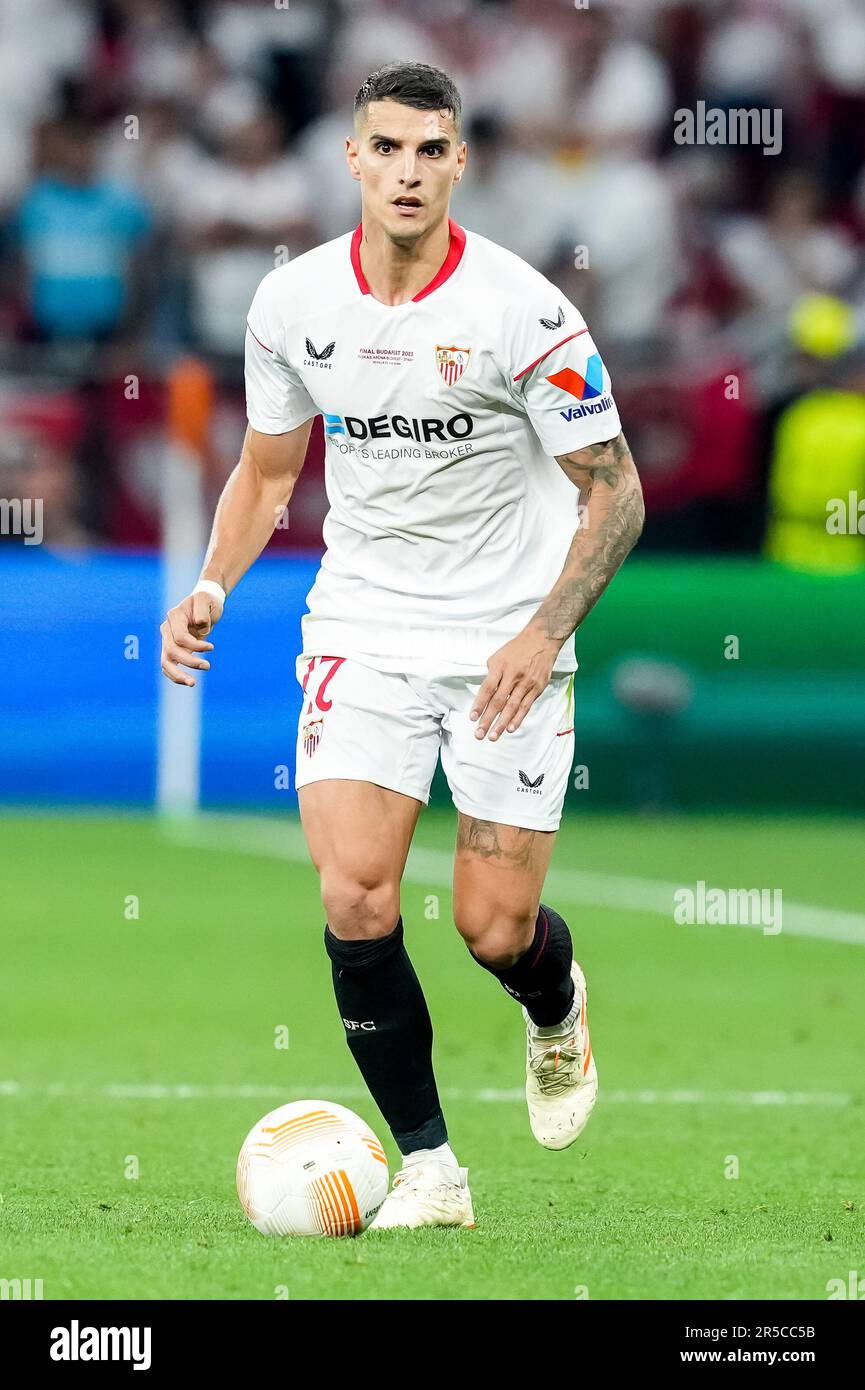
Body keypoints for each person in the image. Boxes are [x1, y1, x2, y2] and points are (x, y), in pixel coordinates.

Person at [160, 62, 644, 1229]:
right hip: (363, 624)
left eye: (433, 150)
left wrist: (541, 632)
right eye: (389, 148)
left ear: (459, 162)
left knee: (493, 928)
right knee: (356, 893)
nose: (410, 171)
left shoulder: (522, 312)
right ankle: (430, 1168)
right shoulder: (294, 304)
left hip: (503, 642)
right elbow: (269, 470)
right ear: (354, 160)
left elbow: (616, 493)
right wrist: (213, 582)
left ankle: (551, 1000)